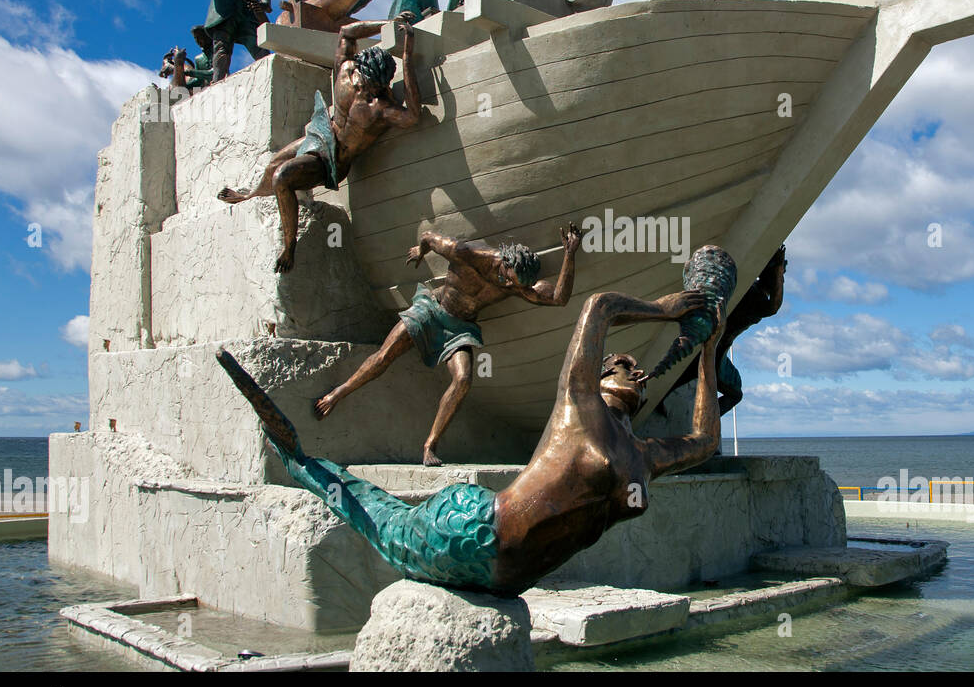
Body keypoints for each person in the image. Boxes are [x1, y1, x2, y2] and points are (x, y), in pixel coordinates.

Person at [216, 284, 723, 595]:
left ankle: (303, 460)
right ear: (600, 375)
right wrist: (664, 309)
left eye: (636, 367)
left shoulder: (642, 455)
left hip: (509, 577)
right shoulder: (580, 406)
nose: (634, 368)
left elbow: (703, 440)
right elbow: (599, 305)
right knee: (376, 515)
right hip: (473, 530)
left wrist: (707, 350)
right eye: (621, 362)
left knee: (379, 517)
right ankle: (300, 459)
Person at [313, 224, 582, 466]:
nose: (509, 285)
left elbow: (558, 298)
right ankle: (338, 393)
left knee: (464, 379)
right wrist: (420, 251)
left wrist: (570, 253)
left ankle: (430, 445)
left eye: (515, 284)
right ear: (504, 262)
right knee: (385, 356)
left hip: (460, 328)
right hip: (432, 309)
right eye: (506, 277)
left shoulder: (517, 283)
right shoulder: (469, 253)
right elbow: (429, 237)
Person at [217, 19, 427, 273]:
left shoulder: (381, 107)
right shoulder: (345, 69)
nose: (365, 90)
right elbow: (347, 32)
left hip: (333, 161)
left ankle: (289, 247)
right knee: (273, 163)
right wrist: (391, 24)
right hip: (321, 133)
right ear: (358, 69)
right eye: (365, 82)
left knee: (282, 177)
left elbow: (414, 116)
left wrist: (406, 57)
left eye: (374, 88)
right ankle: (250, 195)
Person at [665, 244, 787, 416]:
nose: (781, 281)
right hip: (716, 345)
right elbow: (773, 307)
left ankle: (663, 399)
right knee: (732, 392)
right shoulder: (756, 298)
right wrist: (779, 270)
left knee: (687, 374)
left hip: (714, 340)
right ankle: (705, 420)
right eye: (780, 279)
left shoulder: (750, 289)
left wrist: (778, 268)